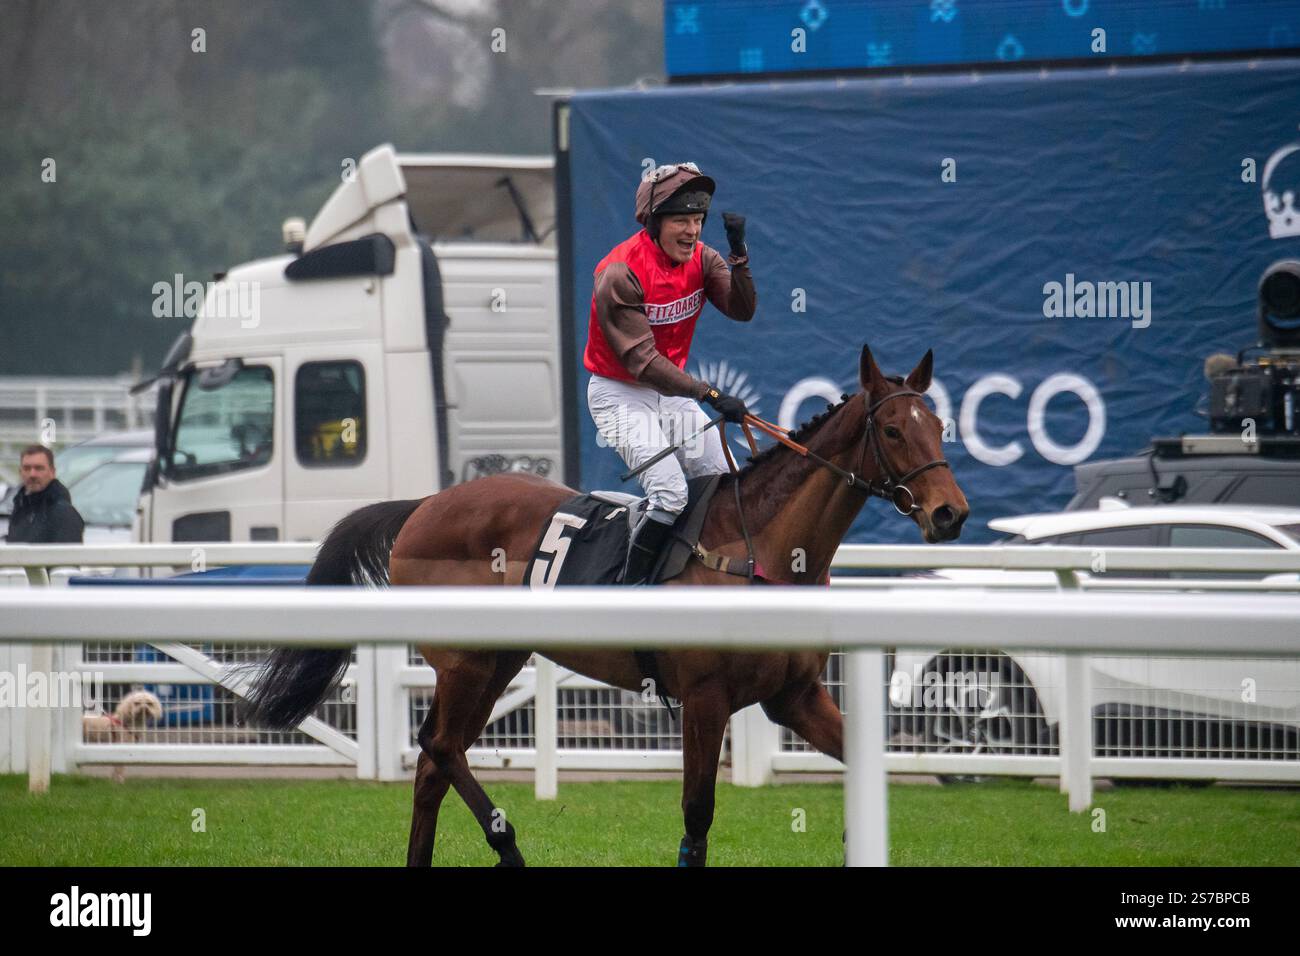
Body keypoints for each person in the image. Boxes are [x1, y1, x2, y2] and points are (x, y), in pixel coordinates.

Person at [583, 161, 756, 584]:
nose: (692, 231)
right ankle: (631, 593)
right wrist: (709, 395)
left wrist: (739, 257)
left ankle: (699, 582)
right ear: (655, 223)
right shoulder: (619, 273)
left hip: (670, 393)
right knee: (671, 494)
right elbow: (643, 362)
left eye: (698, 220)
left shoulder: (703, 258)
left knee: (721, 484)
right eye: (681, 220)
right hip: (619, 392)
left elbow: (742, 310)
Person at [4, 445, 84, 543]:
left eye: (39, 468)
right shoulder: (20, 508)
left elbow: (68, 556)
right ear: (20, 472)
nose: (32, 474)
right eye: (27, 468)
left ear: (52, 472)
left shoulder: (63, 513)